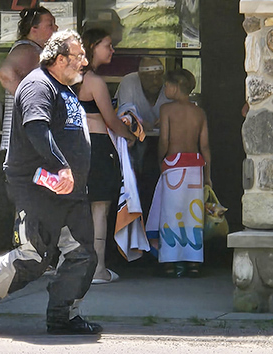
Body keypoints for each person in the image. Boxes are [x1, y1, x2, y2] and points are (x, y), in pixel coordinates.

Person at [0, 30, 102, 336]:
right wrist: (61, 166)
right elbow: (36, 128)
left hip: (70, 191)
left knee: (82, 254)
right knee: (34, 256)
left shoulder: (64, 88)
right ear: (61, 58)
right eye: (79, 56)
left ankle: (62, 317)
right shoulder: (38, 85)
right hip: (39, 188)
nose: (85, 62)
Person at [76, 28, 136, 284]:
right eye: (108, 45)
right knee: (99, 208)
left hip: (73, 148)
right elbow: (110, 120)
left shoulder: (66, 78)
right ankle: (98, 268)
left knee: (74, 210)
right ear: (92, 47)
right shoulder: (94, 82)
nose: (112, 50)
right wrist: (130, 136)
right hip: (98, 147)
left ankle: (68, 265)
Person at [146, 69, 211, 278]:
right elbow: (205, 145)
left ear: (175, 86)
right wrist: (208, 175)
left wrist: (160, 159)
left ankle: (170, 263)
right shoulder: (199, 112)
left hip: (173, 166)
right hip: (195, 167)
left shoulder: (166, 110)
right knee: (193, 216)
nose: (165, 89)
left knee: (171, 214)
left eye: (167, 85)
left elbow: (164, 139)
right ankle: (193, 263)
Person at [116, 56, 171, 214]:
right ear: (140, 76)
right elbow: (125, 113)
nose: (155, 82)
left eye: (158, 76)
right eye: (149, 77)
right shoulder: (129, 82)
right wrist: (139, 123)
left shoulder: (169, 86)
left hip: (164, 142)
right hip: (135, 141)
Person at [0, 6, 58, 152]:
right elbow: (5, 73)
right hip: (22, 147)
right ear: (34, 29)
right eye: (50, 24)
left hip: (25, 145)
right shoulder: (27, 49)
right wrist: (31, 103)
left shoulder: (35, 50)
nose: (56, 28)